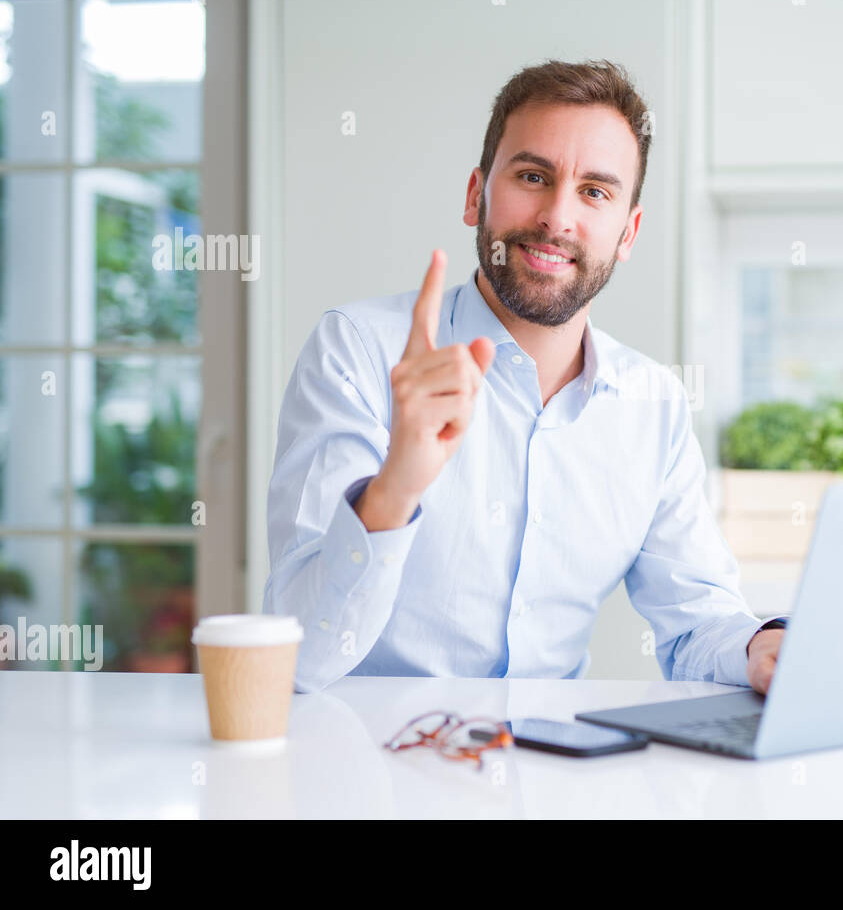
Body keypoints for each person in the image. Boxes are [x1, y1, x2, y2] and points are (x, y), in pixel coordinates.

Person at [264, 59, 787, 694]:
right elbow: (298, 658)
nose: (557, 217)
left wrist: (763, 646)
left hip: (554, 775)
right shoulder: (360, 352)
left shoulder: (654, 403)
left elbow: (697, 623)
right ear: (474, 194)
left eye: (595, 191)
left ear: (629, 232)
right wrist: (392, 492)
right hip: (373, 771)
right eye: (533, 175)